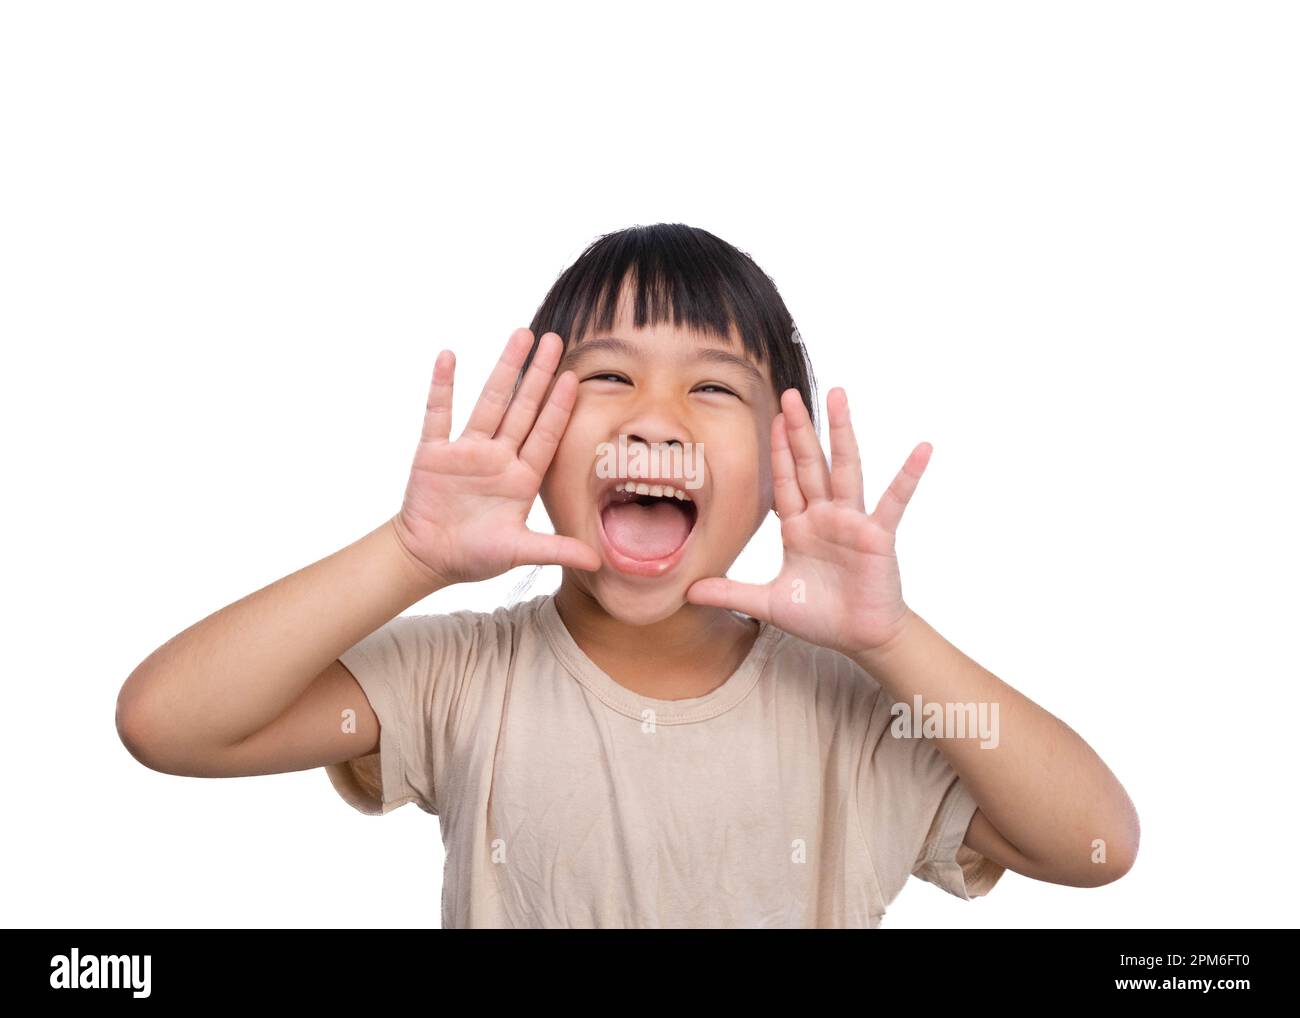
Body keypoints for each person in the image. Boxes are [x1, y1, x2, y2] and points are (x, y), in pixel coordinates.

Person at [116, 223, 1139, 928]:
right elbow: (167, 721)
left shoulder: (862, 712)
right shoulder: (460, 677)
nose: (654, 416)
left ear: (780, 459)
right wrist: (409, 553)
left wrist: (889, 640)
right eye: (608, 377)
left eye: (711, 385)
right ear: (534, 422)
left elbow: (1095, 842)